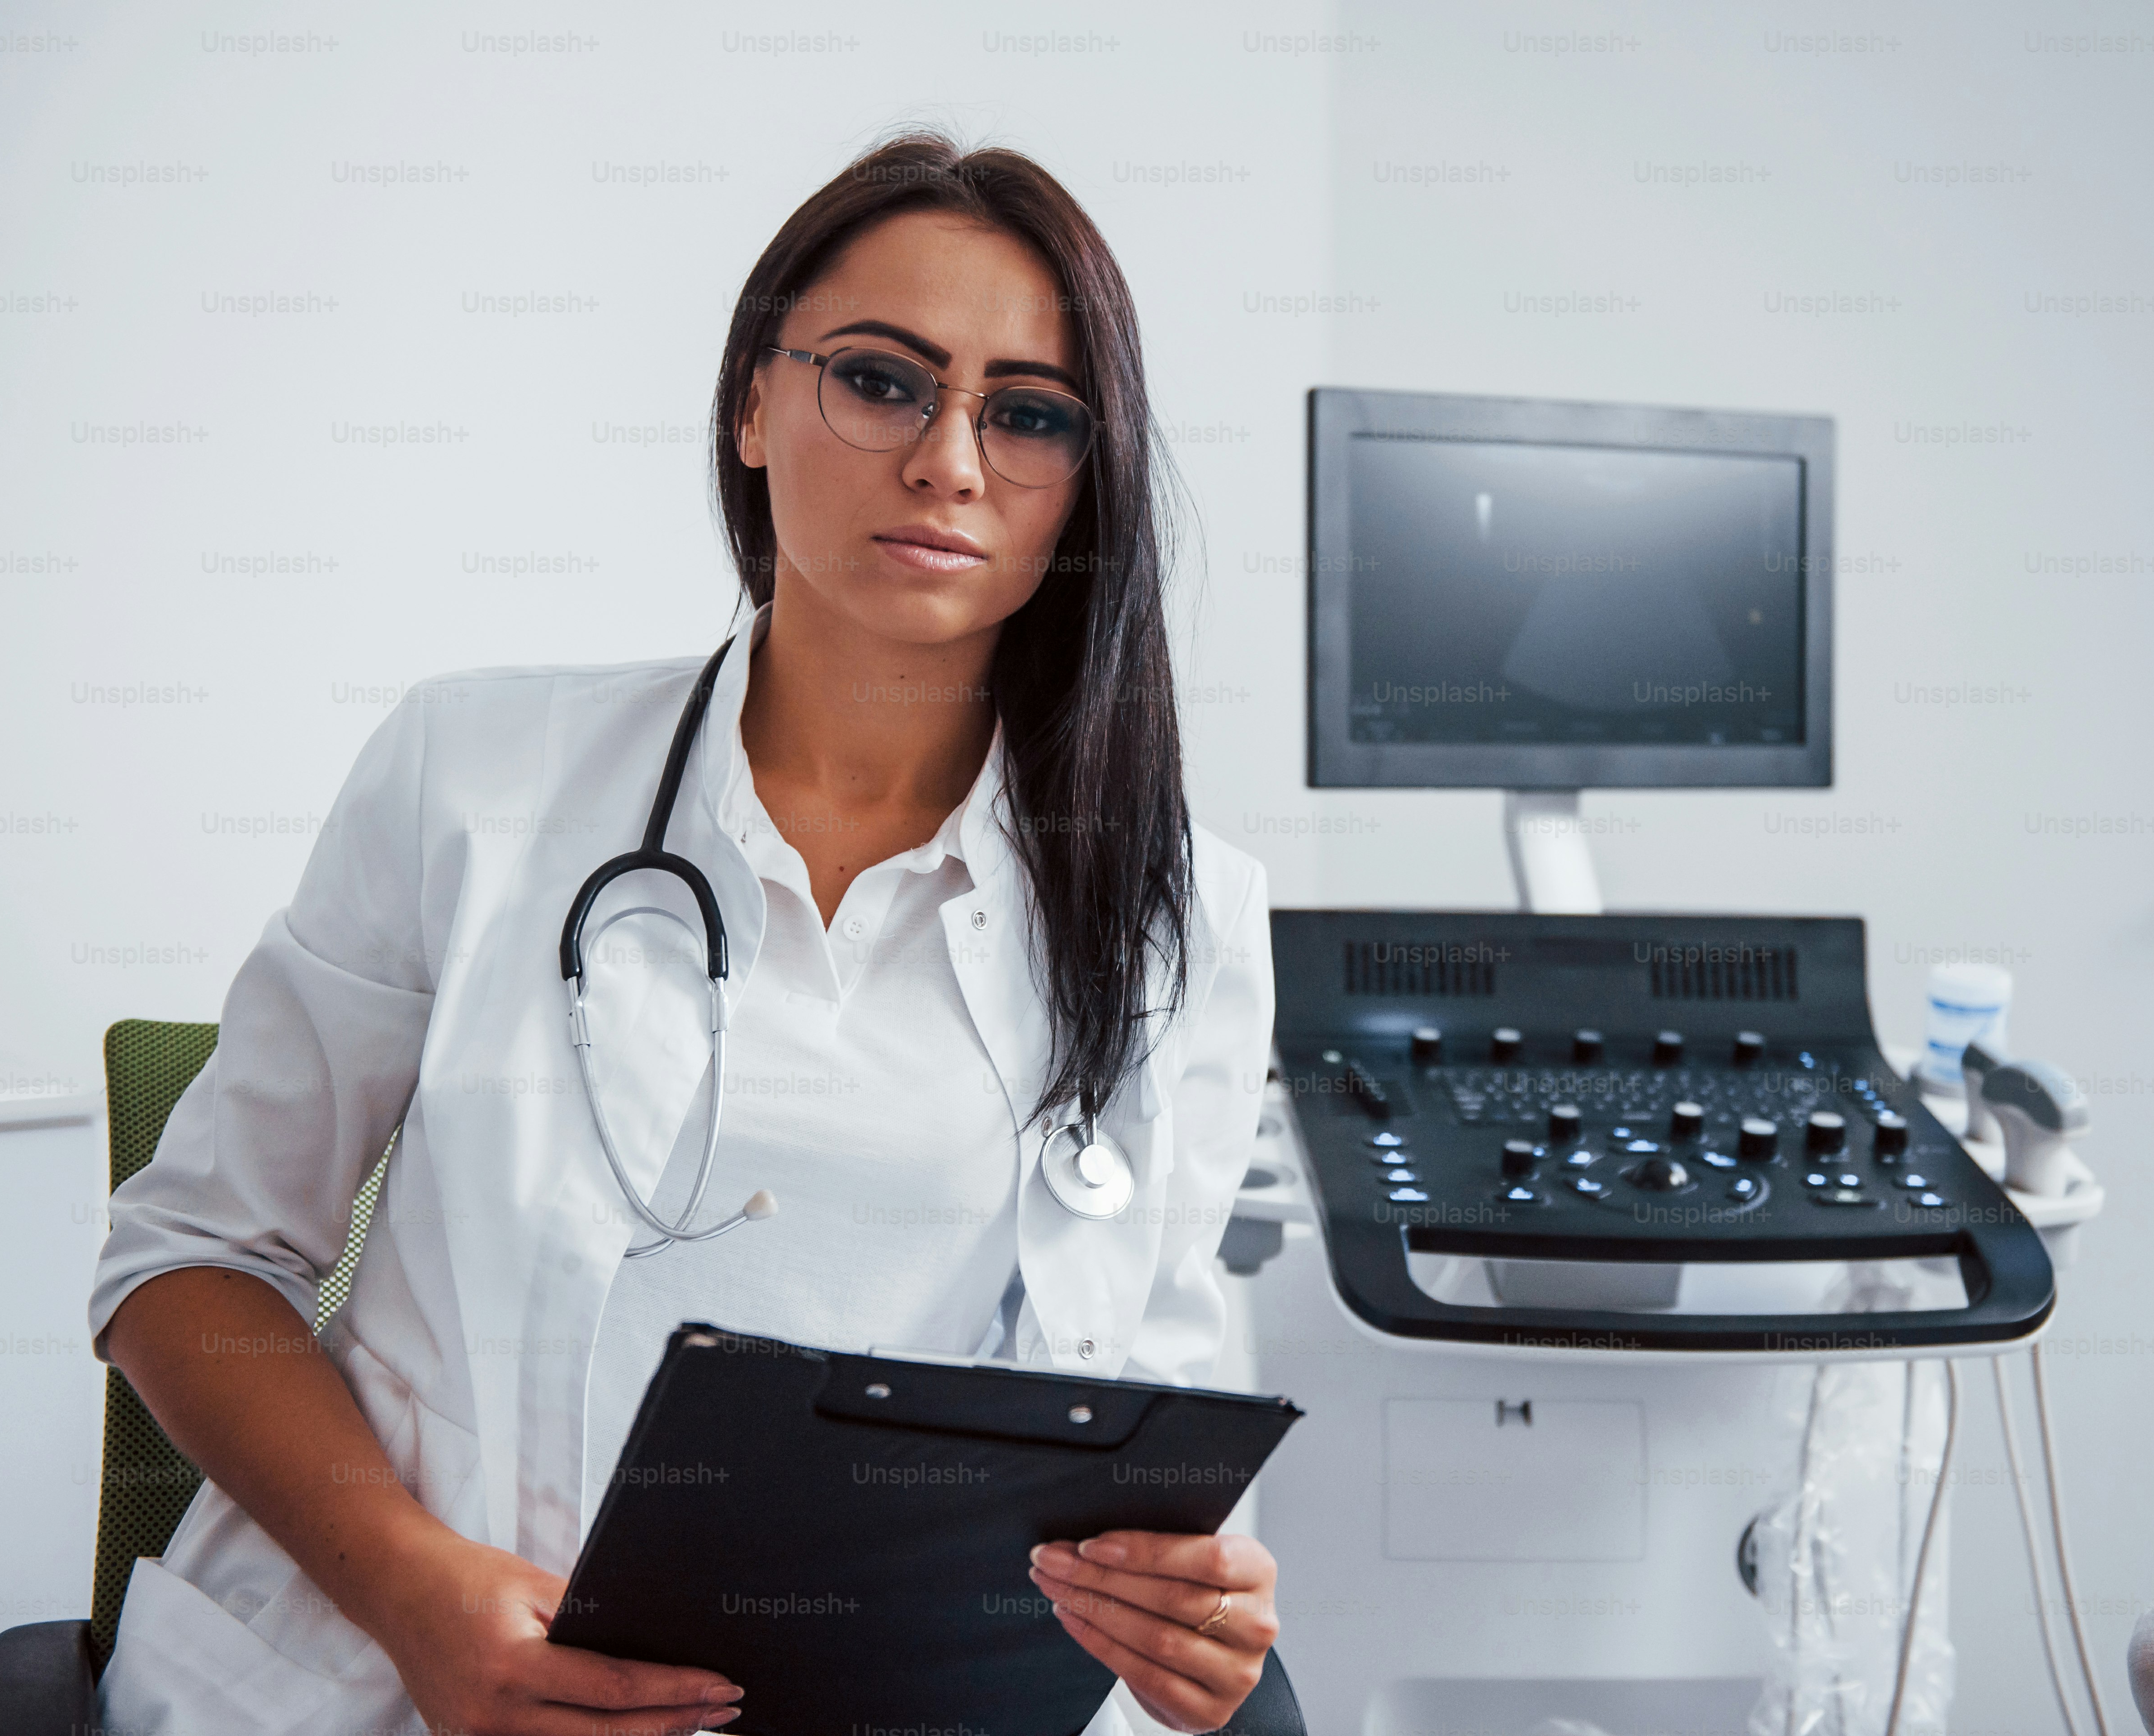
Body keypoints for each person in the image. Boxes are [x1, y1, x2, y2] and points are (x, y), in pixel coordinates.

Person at [90, 130, 1280, 1736]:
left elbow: (1160, 1417)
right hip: (408, 1685)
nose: (948, 461)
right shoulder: (474, 779)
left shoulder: (1178, 919)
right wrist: (415, 1595)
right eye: (881, 380)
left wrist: (1193, 1621)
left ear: (1086, 479)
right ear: (751, 404)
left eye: (1030, 414)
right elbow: (194, 1261)